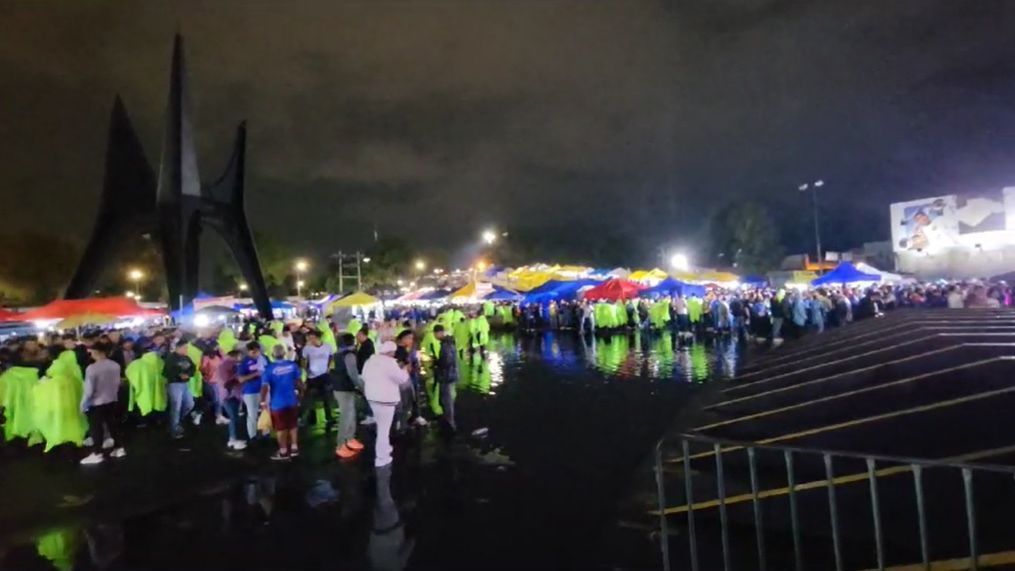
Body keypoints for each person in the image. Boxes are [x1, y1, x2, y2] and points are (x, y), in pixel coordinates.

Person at [362, 341, 408, 468]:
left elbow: (364, 377)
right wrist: (404, 369)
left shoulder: (370, 361)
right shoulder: (390, 363)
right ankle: (382, 458)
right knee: (383, 430)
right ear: (391, 352)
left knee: (381, 425)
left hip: (372, 398)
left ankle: (386, 448)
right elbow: (402, 379)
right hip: (386, 400)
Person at [79, 343, 126, 465]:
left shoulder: (92, 368)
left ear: (96, 352)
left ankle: (97, 453)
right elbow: (117, 383)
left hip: (96, 402)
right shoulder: (115, 365)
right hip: (112, 399)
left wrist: (83, 404)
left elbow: (89, 390)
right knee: (112, 425)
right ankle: (119, 448)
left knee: (96, 428)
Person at [261, 344, 304, 460]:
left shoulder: (269, 369)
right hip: (292, 400)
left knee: (281, 428)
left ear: (273, 355)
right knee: (293, 425)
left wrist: (262, 402)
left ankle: (283, 451)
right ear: (284, 354)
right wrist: (301, 395)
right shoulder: (292, 365)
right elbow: (299, 383)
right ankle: (294, 448)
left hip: (277, 403)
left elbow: (264, 387)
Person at [333, 333, 366, 459]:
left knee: (350, 414)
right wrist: (362, 387)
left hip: (340, 387)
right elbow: (353, 374)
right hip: (344, 388)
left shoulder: (337, 354)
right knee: (346, 416)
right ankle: (341, 445)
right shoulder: (349, 355)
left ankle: (350, 439)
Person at [301, 330, 335, 428]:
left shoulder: (327, 346)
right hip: (312, 376)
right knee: (309, 397)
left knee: (326, 397)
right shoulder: (307, 348)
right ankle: (310, 417)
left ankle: (329, 417)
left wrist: (329, 367)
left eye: (311, 338)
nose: (310, 340)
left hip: (324, 375)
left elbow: (331, 357)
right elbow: (303, 360)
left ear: (317, 338)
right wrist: (306, 371)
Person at [164, 341, 196, 439]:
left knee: (190, 404)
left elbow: (193, 368)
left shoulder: (186, 358)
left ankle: (178, 421)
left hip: (185, 384)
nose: (187, 350)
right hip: (174, 384)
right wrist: (179, 374)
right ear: (179, 348)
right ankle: (174, 428)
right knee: (176, 406)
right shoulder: (171, 357)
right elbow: (167, 371)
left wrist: (188, 374)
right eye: (185, 348)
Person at [237, 342, 267, 441]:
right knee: (252, 415)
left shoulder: (264, 358)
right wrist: (255, 374)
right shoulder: (244, 362)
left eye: (257, 351)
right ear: (248, 351)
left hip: (264, 390)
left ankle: (265, 433)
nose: (255, 354)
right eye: (253, 352)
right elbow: (241, 379)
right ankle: (252, 436)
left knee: (265, 412)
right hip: (250, 392)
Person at [217, 349, 246, 450]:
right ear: (236, 356)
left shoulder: (223, 364)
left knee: (233, 417)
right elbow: (229, 381)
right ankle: (233, 440)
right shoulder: (230, 365)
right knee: (233, 418)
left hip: (227, 395)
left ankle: (233, 439)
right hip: (230, 395)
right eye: (240, 357)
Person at [432, 325, 459, 433]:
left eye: (435, 333)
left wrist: (437, 362)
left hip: (447, 375)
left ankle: (450, 423)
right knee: (446, 398)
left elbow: (447, 361)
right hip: (451, 374)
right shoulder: (449, 342)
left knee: (446, 399)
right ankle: (448, 420)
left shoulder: (445, 344)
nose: (434, 336)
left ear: (439, 333)